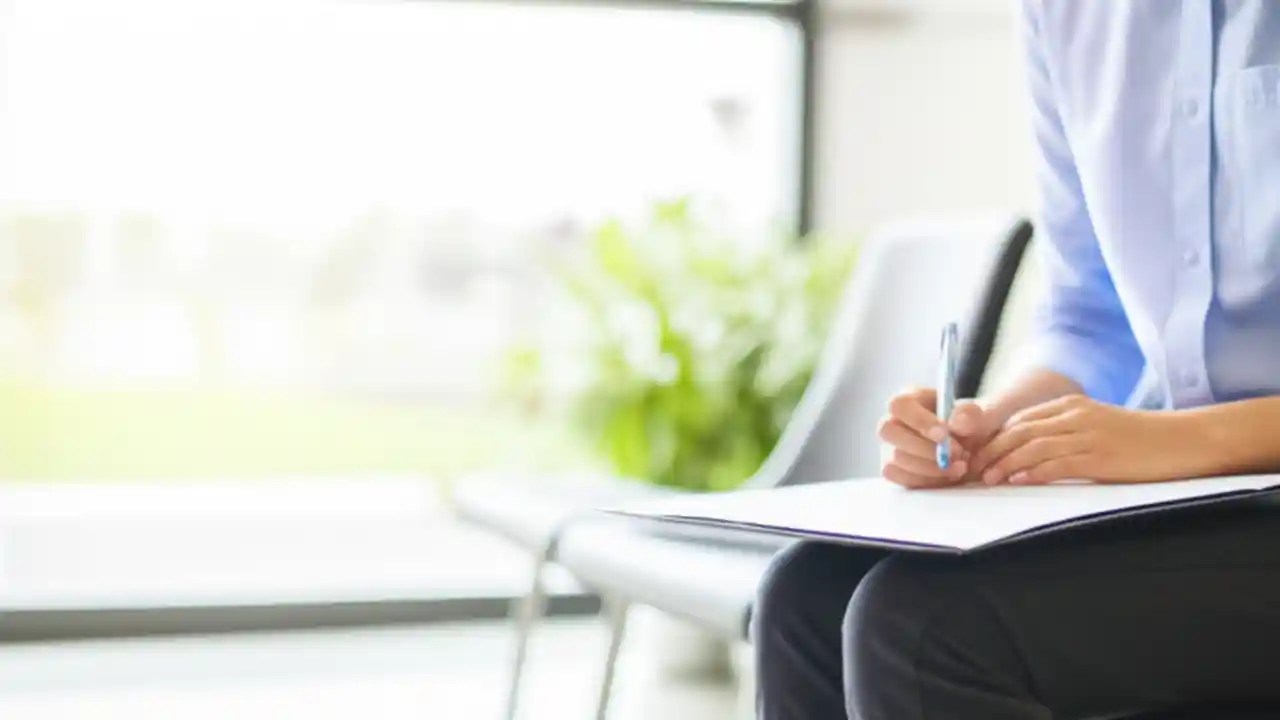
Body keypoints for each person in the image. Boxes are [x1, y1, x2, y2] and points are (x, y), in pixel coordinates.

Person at [753, 2, 1280, 718]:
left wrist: (1176, 442)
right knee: (805, 596)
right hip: (1185, 499)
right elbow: (1090, 319)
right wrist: (986, 431)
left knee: (924, 627)